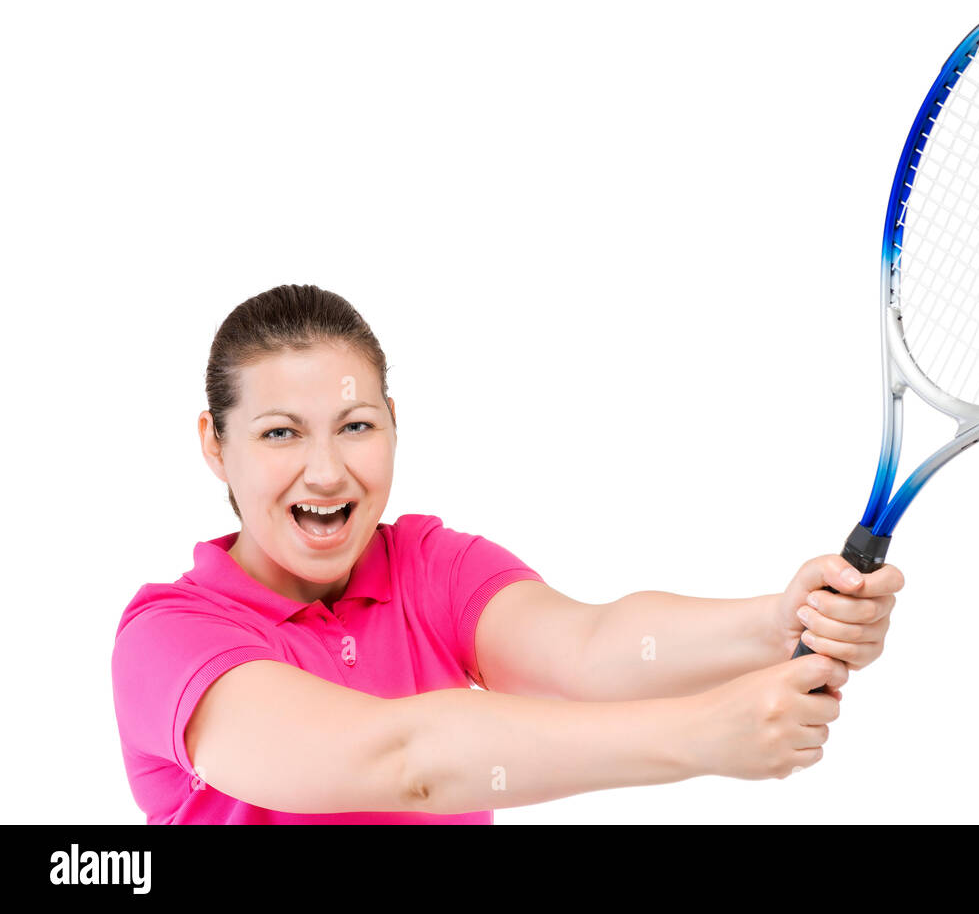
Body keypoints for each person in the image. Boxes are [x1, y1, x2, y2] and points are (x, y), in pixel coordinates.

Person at [110, 284, 904, 823]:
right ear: (216, 444)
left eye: (355, 426)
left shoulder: (427, 563)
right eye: (280, 432)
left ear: (392, 421)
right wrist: (701, 734)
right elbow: (404, 760)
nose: (326, 471)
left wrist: (776, 621)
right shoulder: (168, 638)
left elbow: (590, 648)